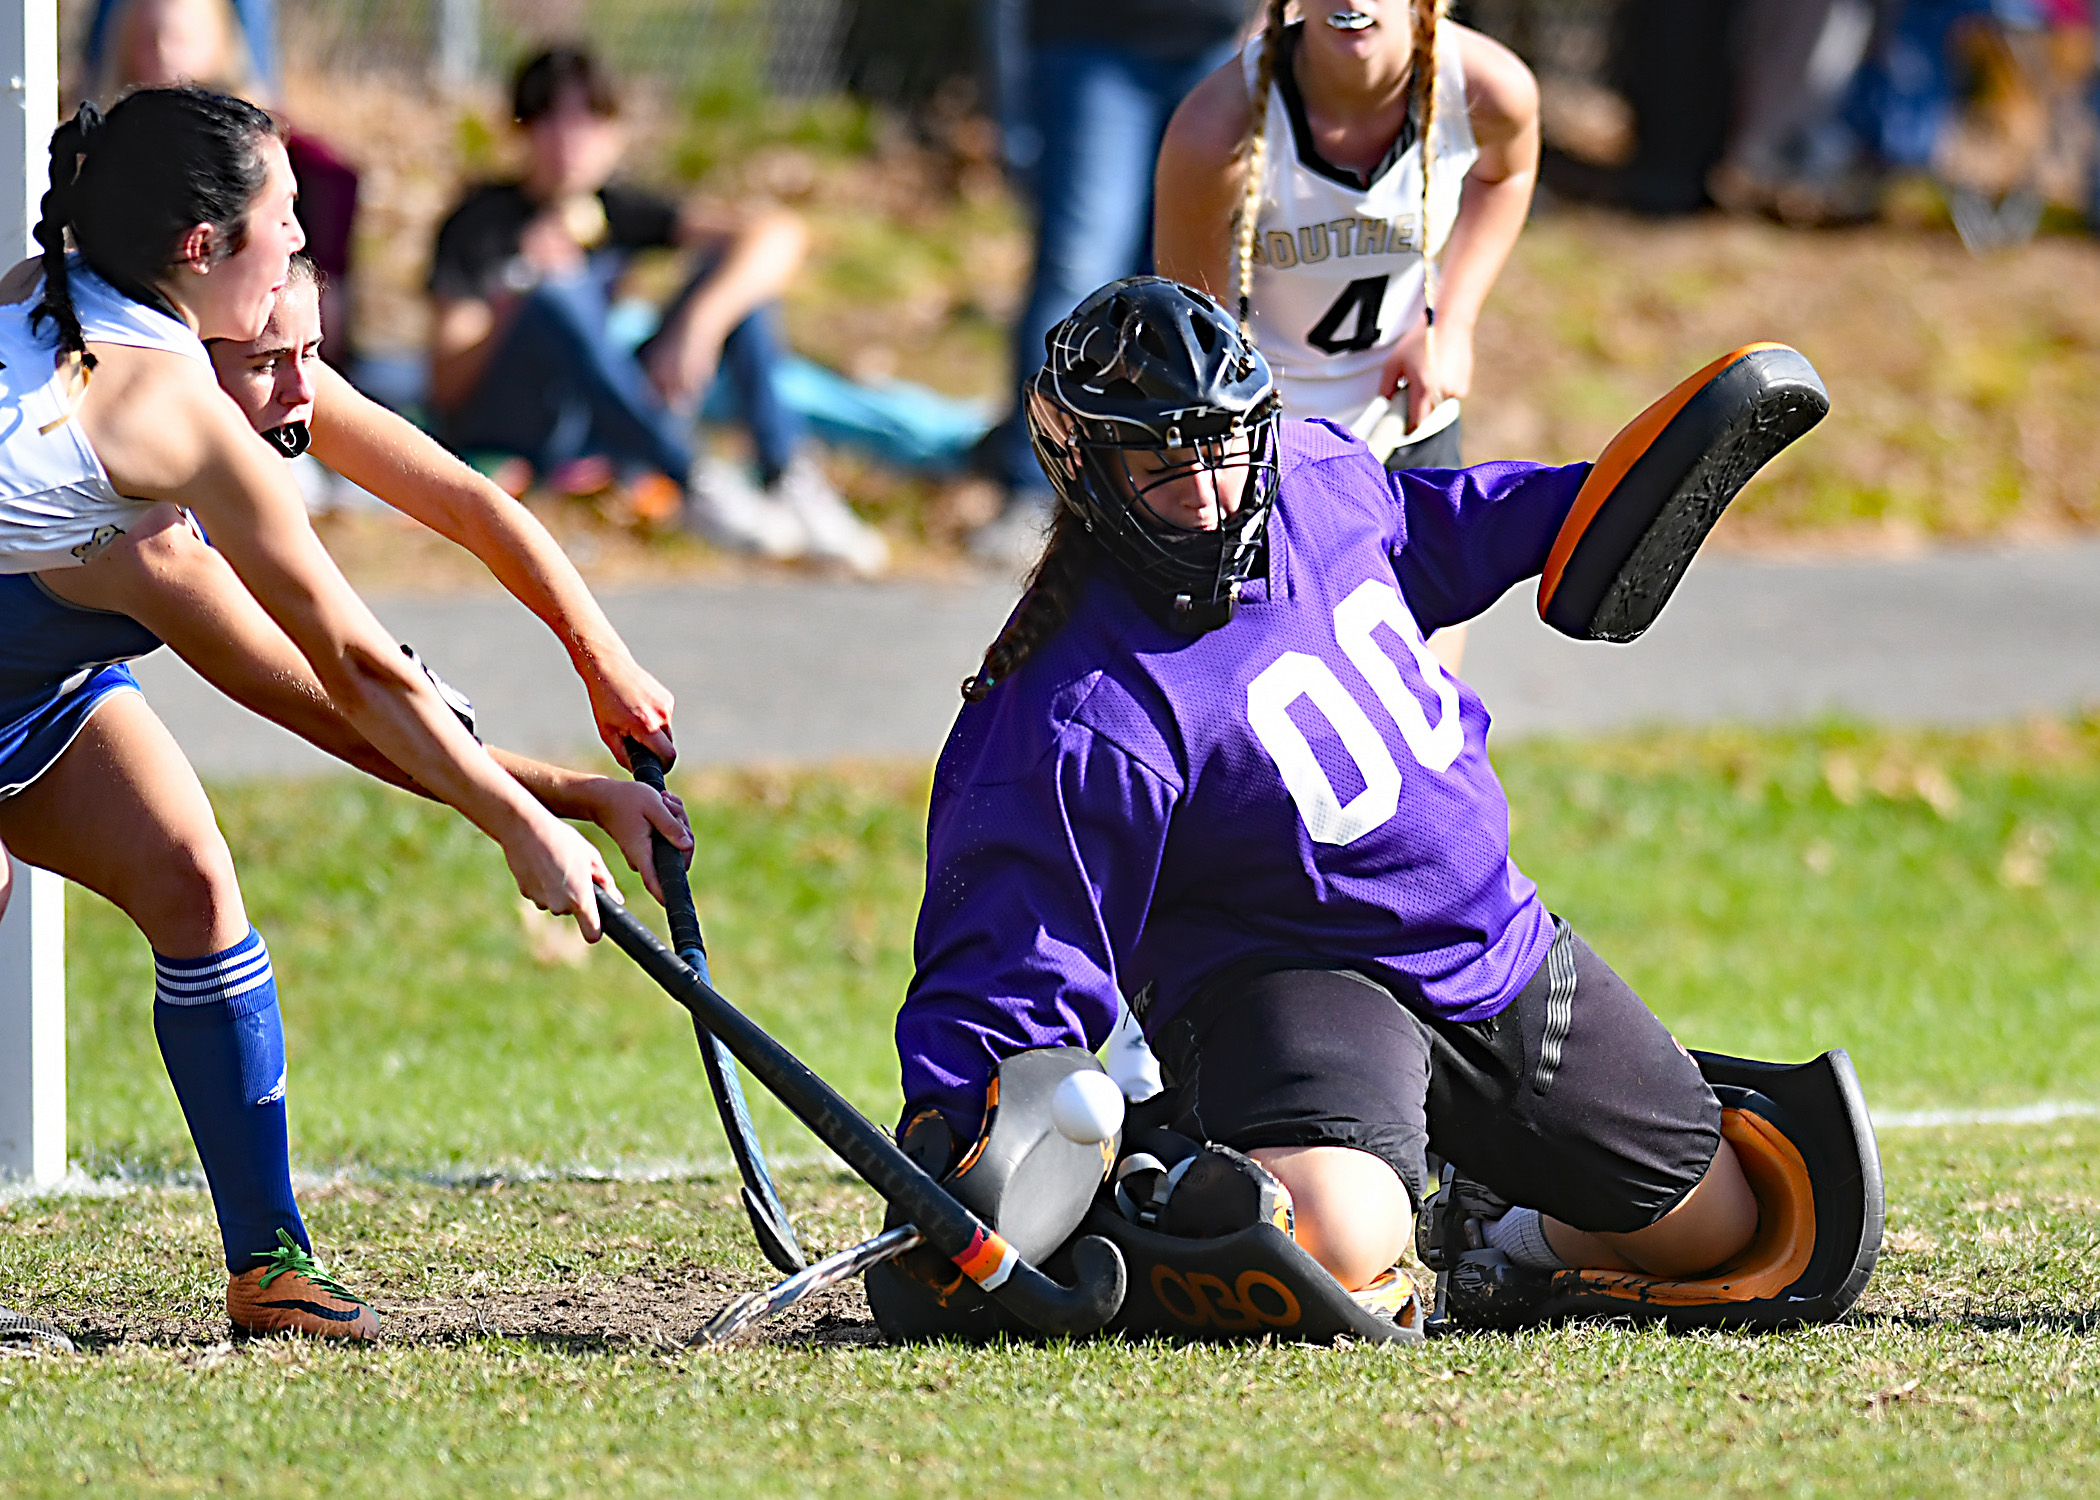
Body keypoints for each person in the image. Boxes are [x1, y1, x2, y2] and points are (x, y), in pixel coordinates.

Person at [893, 278, 1763, 1304]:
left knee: (1727, 1226)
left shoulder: (1315, 472)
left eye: (1221, 446)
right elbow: (1014, 946)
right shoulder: (1081, 709)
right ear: (1087, 471)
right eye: (1160, 464)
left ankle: (1493, 1226)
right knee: (1339, 1240)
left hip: (1492, 941)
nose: (1207, 491)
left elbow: (1430, 535)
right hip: (1294, 975)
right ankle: (1161, 1187)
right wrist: (965, 1143)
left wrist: (1570, 510)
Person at [0, 87, 628, 1340]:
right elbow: (347, 684)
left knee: (191, 879)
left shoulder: (103, 304)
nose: (302, 243)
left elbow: (455, 505)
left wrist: (596, 684)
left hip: (33, 688)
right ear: (200, 252)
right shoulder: (170, 434)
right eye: (283, 221)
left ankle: (271, 1268)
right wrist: (530, 820)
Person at [1153, 1, 1542, 674]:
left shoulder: (1485, 88)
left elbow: (1506, 173)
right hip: (1273, 441)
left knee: (1425, 662)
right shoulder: (1216, 127)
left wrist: (1451, 323)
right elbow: (1194, 325)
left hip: (1406, 415)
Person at [427, 47, 887, 575]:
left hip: (596, 424)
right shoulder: (479, 223)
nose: (569, 140)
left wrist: (701, 324)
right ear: (520, 131)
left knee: (737, 281)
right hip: (513, 422)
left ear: (615, 133)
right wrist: (521, 293)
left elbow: (776, 234)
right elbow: (449, 385)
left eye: (588, 120)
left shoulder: (612, 207)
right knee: (557, 297)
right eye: (550, 120)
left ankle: (787, 475)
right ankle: (692, 478)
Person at [968, 0, 1246, 567]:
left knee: (1187, 286)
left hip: (1219, 46)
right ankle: (1035, 487)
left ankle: (1177, 490)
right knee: (1077, 269)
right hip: (1093, 45)